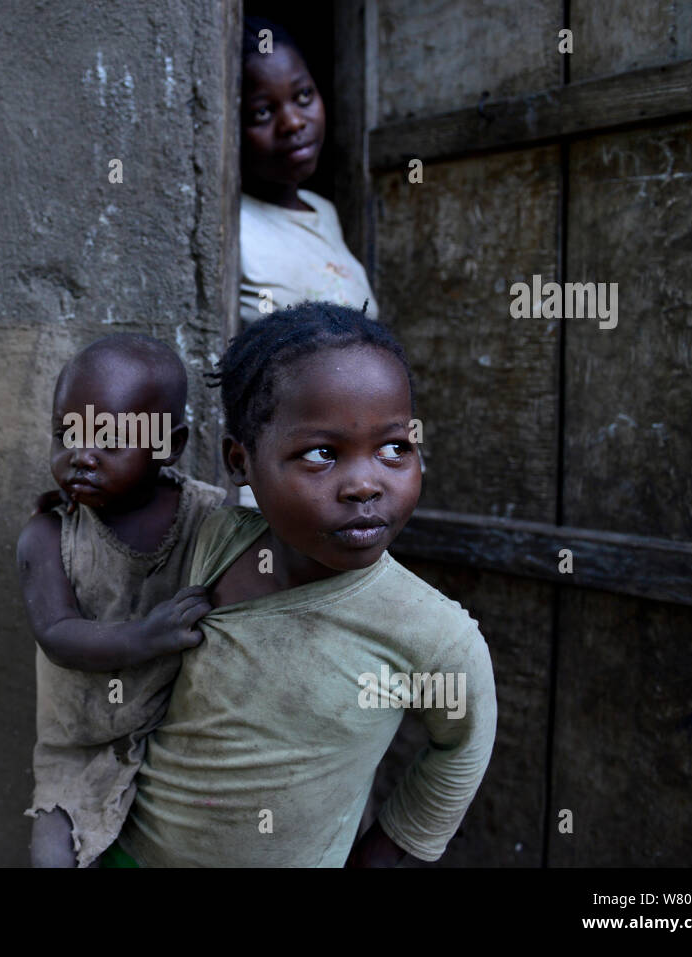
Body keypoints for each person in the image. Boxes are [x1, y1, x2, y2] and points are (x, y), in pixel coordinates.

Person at [114, 302, 496, 867]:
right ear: (239, 462)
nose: (365, 485)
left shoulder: (433, 633)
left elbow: (463, 746)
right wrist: (66, 514)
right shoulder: (214, 544)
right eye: (321, 454)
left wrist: (384, 853)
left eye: (395, 448)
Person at [17, 334, 225, 867]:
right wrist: (147, 636)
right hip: (80, 750)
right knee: (51, 858)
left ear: (168, 446)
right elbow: (58, 635)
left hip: (177, 743)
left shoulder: (212, 522)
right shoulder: (48, 536)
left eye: (109, 439)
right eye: (67, 434)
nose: (81, 456)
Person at [238, 16, 378, 327]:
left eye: (303, 96)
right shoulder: (234, 227)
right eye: (262, 112)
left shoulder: (323, 212)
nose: (293, 123)